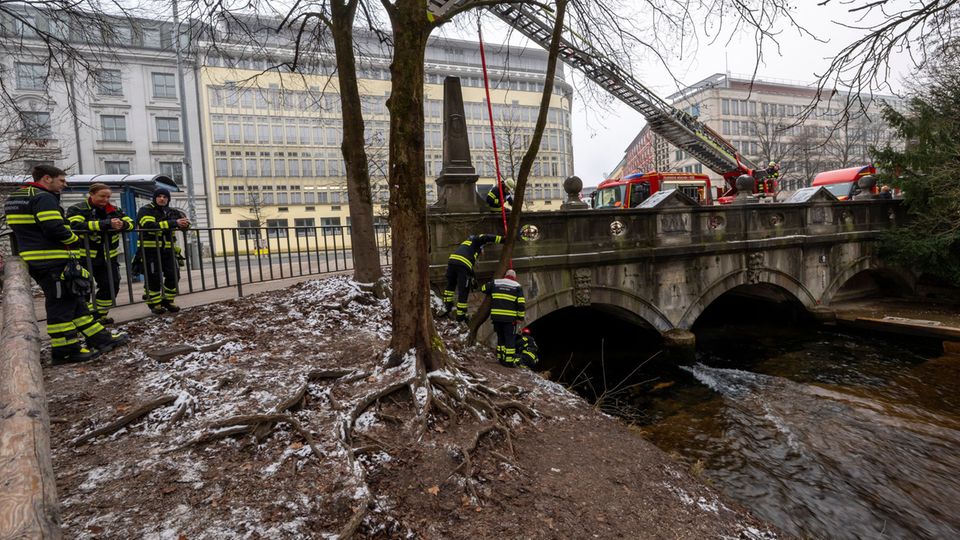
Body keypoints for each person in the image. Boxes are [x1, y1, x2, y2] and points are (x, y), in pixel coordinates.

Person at [3, 165, 128, 364]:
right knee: (60, 304)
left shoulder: (16, 197)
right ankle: (65, 349)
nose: (64, 184)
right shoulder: (43, 197)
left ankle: (100, 339)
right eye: (61, 180)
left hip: (38, 257)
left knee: (75, 301)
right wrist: (74, 240)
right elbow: (54, 227)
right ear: (46, 178)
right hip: (52, 259)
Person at [66, 183, 135, 324]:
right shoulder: (77, 209)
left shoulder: (114, 209)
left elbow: (131, 223)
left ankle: (97, 315)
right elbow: (75, 226)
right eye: (102, 196)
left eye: (108, 196)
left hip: (108, 257)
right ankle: (84, 319)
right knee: (83, 289)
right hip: (84, 257)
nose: (106, 199)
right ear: (91, 194)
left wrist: (122, 225)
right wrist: (105, 224)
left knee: (112, 285)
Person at [137, 187, 190, 315]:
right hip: (150, 250)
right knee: (153, 277)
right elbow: (149, 226)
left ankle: (168, 300)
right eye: (159, 196)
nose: (162, 199)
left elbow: (185, 224)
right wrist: (173, 223)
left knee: (174, 275)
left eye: (165, 197)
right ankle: (154, 303)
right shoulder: (146, 210)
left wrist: (185, 224)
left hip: (168, 249)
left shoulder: (172, 211)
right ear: (154, 198)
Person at [442, 233, 503, 321]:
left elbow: (468, 267)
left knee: (450, 285)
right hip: (463, 265)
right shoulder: (476, 241)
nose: (481, 253)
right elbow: (485, 237)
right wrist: (503, 239)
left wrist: (472, 277)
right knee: (463, 290)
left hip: (452, 262)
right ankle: (461, 316)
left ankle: (447, 306)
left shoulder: (466, 245)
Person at [481, 269, 525, 367]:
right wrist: (520, 318)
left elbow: (483, 288)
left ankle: (501, 358)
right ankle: (509, 362)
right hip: (510, 319)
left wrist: (490, 284)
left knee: (501, 338)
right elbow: (521, 304)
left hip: (496, 318)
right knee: (510, 340)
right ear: (514, 277)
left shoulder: (496, 282)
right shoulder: (517, 286)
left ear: (505, 275)